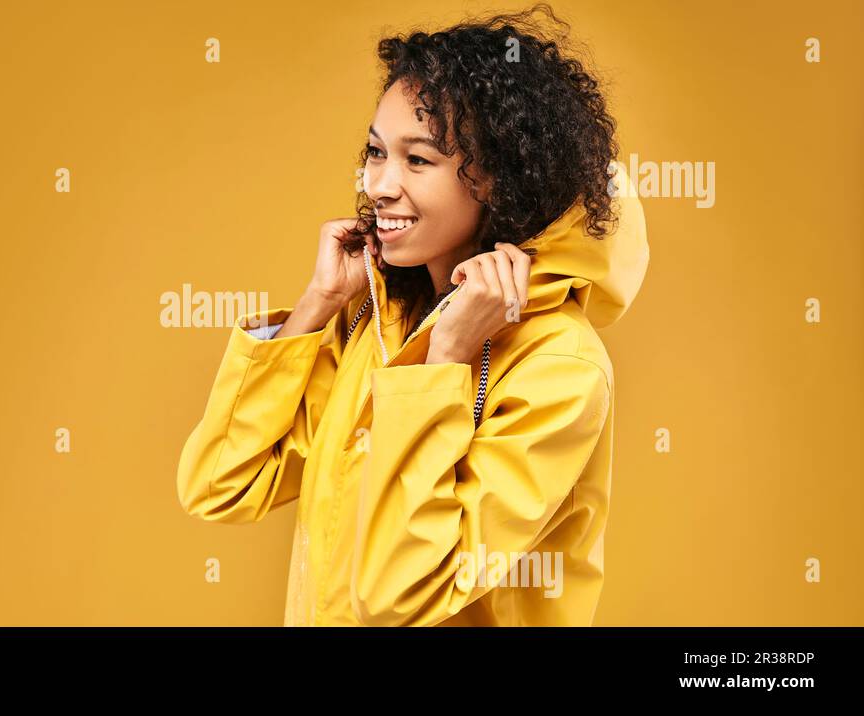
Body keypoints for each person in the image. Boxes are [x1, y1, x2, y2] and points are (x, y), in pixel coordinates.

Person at [175, 4, 649, 626]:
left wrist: (443, 362)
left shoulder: (558, 368)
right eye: (376, 152)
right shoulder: (378, 318)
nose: (379, 185)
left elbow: (400, 596)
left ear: (502, 182)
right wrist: (317, 307)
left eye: (418, 160)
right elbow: (219, 484)